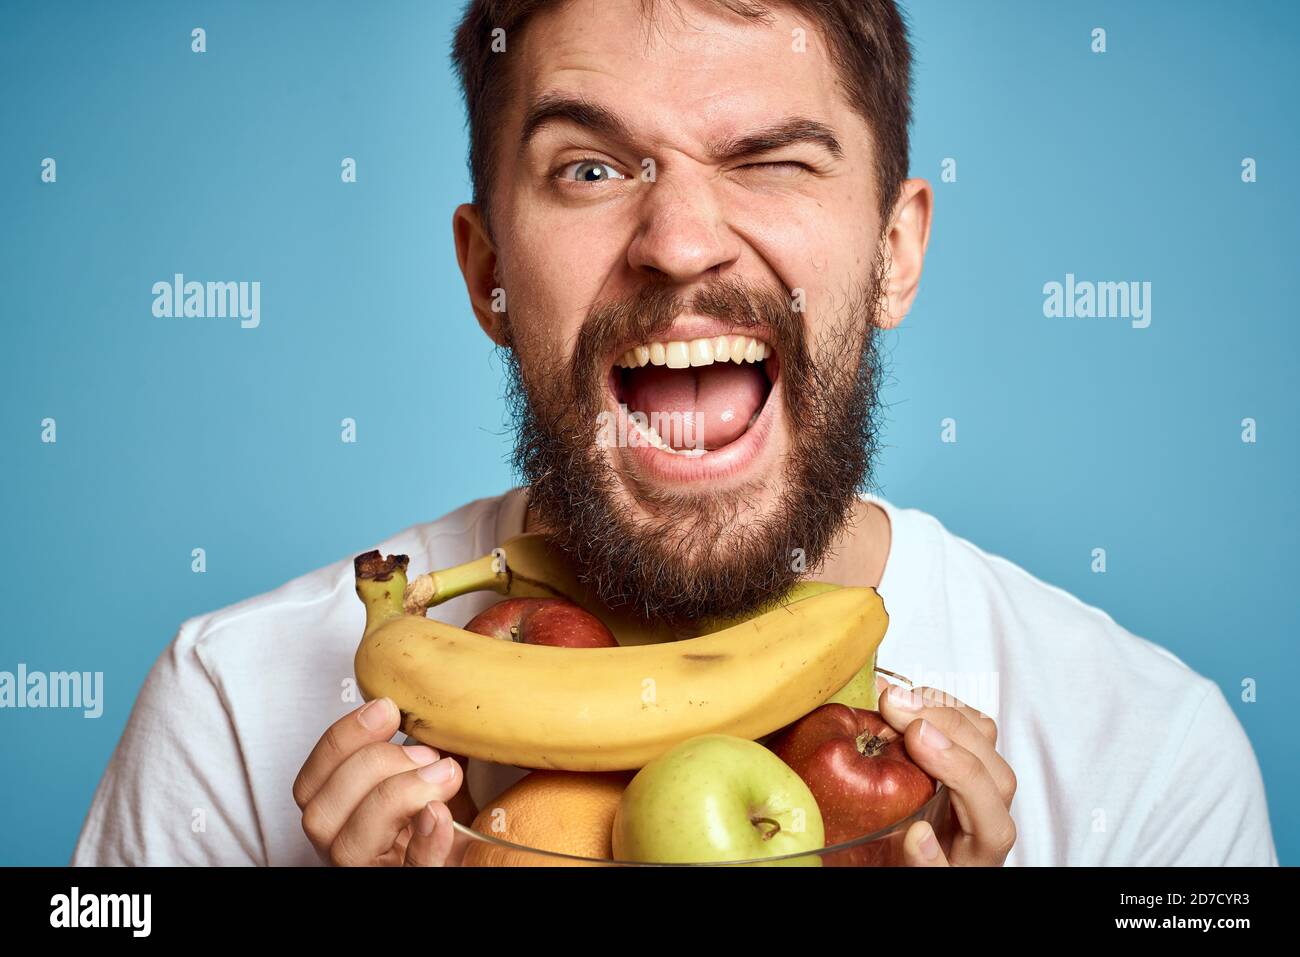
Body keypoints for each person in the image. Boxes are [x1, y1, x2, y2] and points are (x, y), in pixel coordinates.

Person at [72, 0, 1276, 867]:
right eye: (591, 171)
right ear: (488, 274)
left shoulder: (1149, 761)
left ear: (895, 253)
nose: (681, 241)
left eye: (774, 162)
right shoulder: (229, 716)